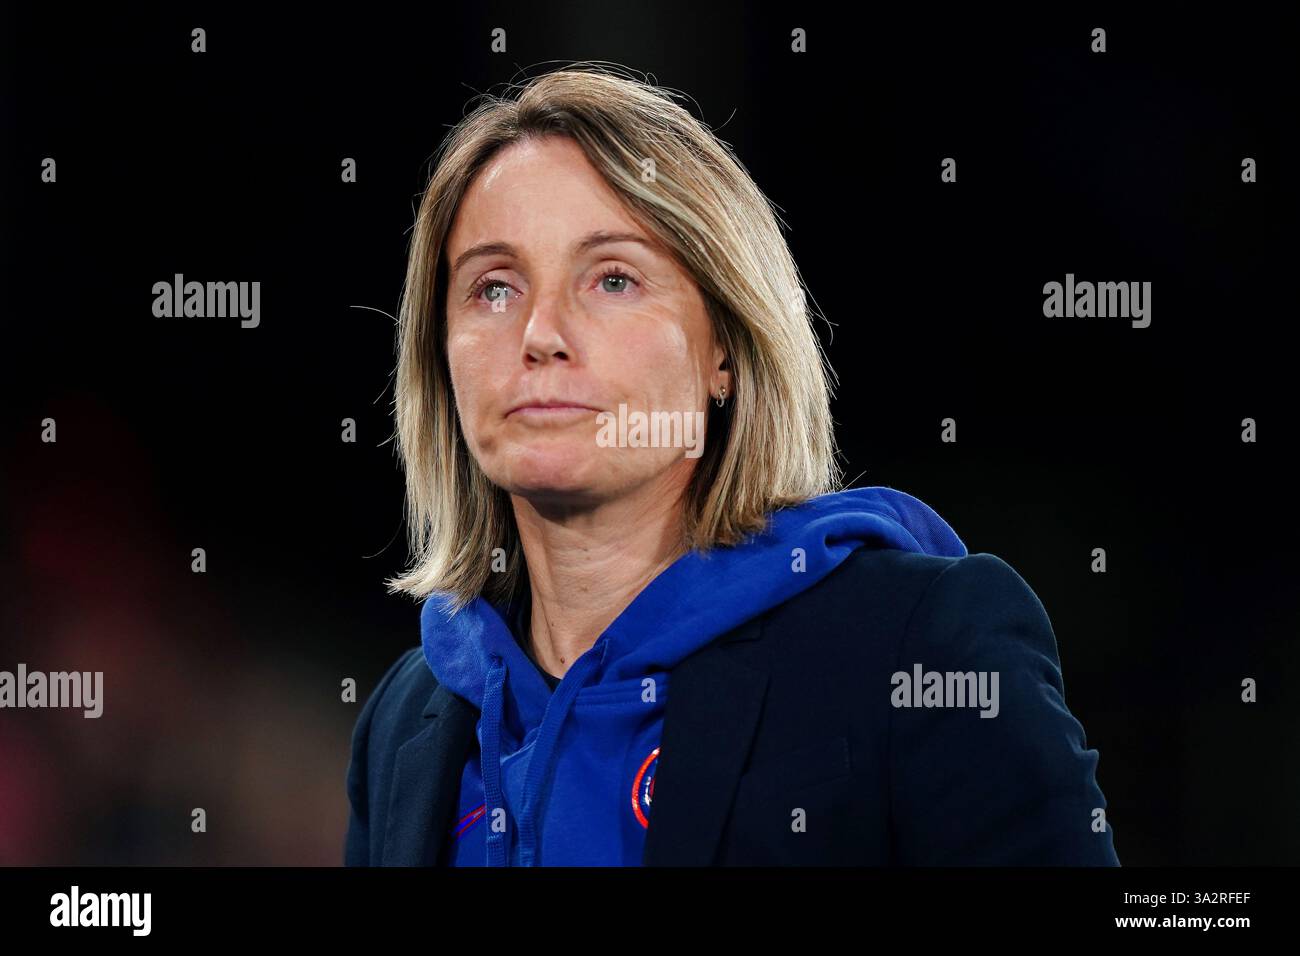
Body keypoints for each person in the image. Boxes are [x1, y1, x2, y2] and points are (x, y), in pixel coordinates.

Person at [344, 64, 1119, 867]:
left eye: (613, 278)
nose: (540, 332)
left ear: (725, 348)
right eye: (494, 289)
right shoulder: (410, 721)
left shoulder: (918, 644)